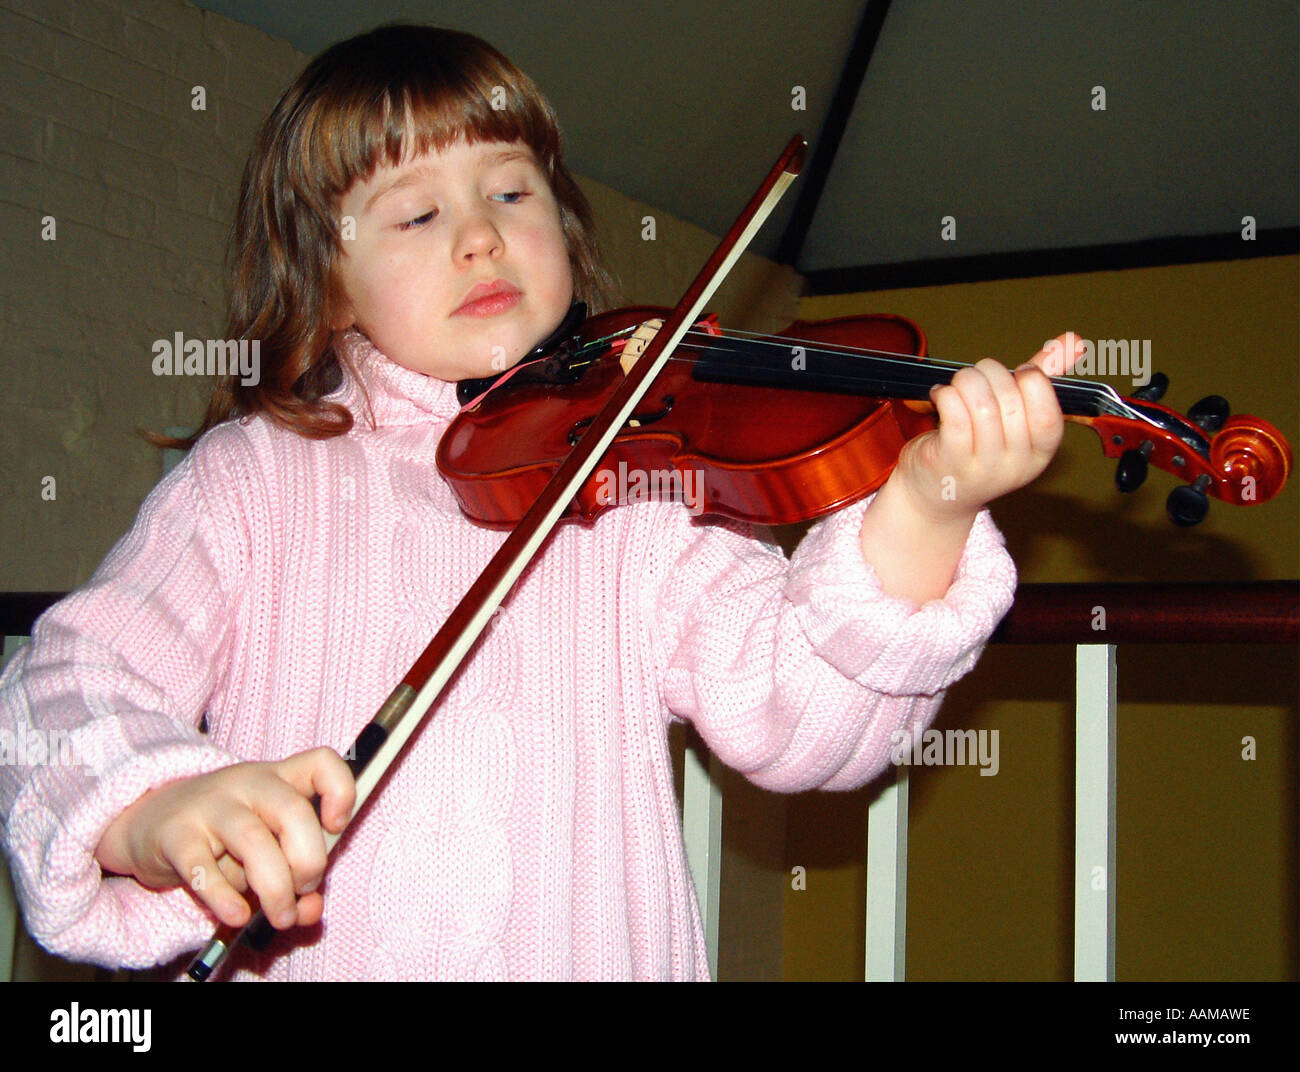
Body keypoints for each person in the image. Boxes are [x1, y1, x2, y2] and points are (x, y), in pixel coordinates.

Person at [0, 25, 1080, 981]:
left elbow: (803, 722)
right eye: (417, 212)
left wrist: (923, 510)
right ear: (325, 280)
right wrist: (154, 806)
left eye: (511, 193)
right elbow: (62, 685)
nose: (478, 235)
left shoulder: (633, 486)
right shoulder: (253, 480)